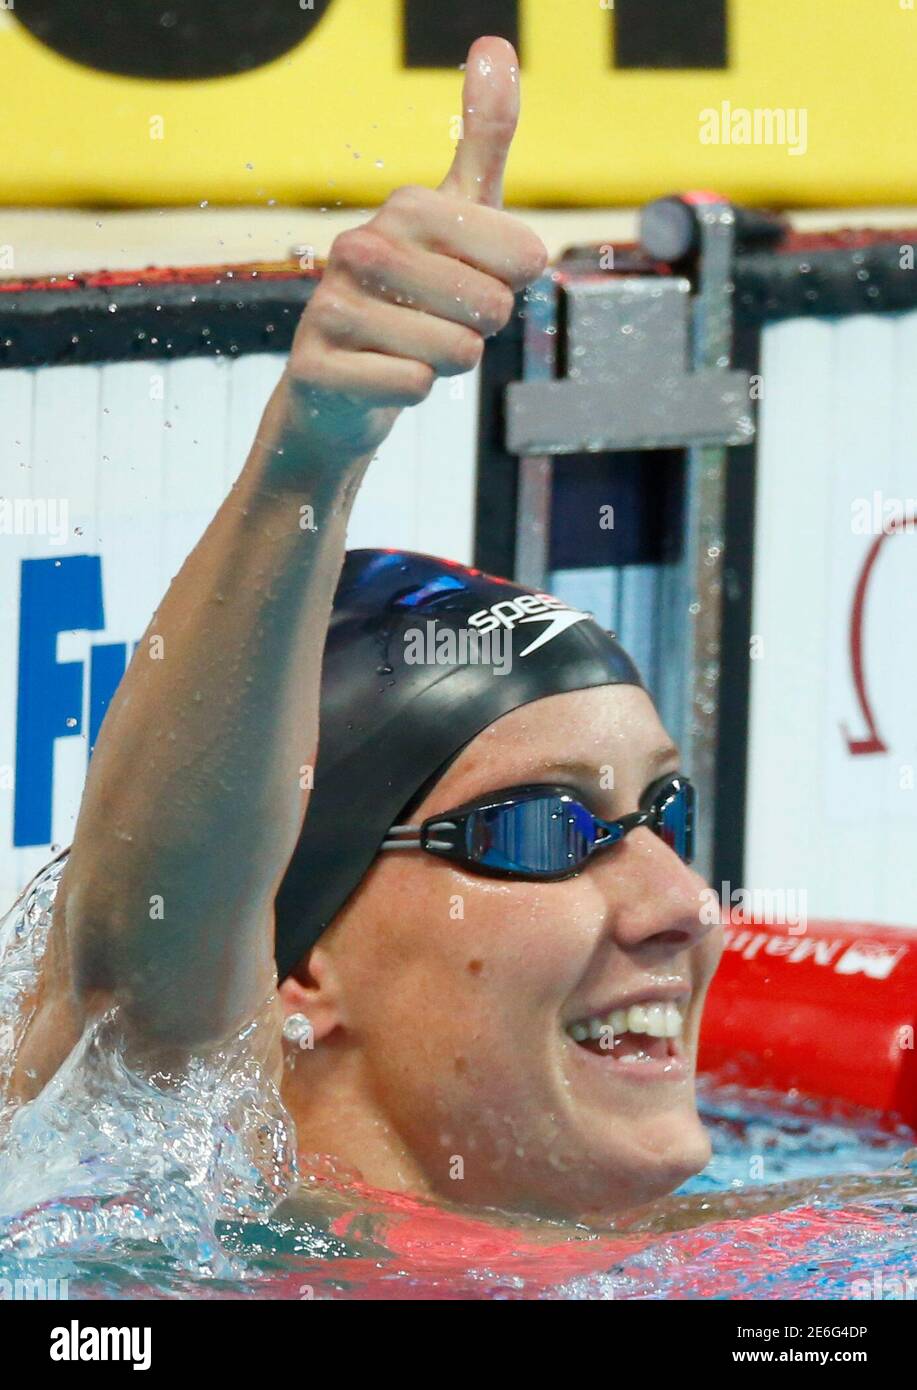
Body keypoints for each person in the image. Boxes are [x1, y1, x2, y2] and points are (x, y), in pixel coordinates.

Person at [0, 36, 721, 1223]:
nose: (683, 901)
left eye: (667, 812)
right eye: (544, 829)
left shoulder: (770, 1242)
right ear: (297, 967)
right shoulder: (207, 1229)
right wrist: (311, 453)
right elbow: (139, 979)